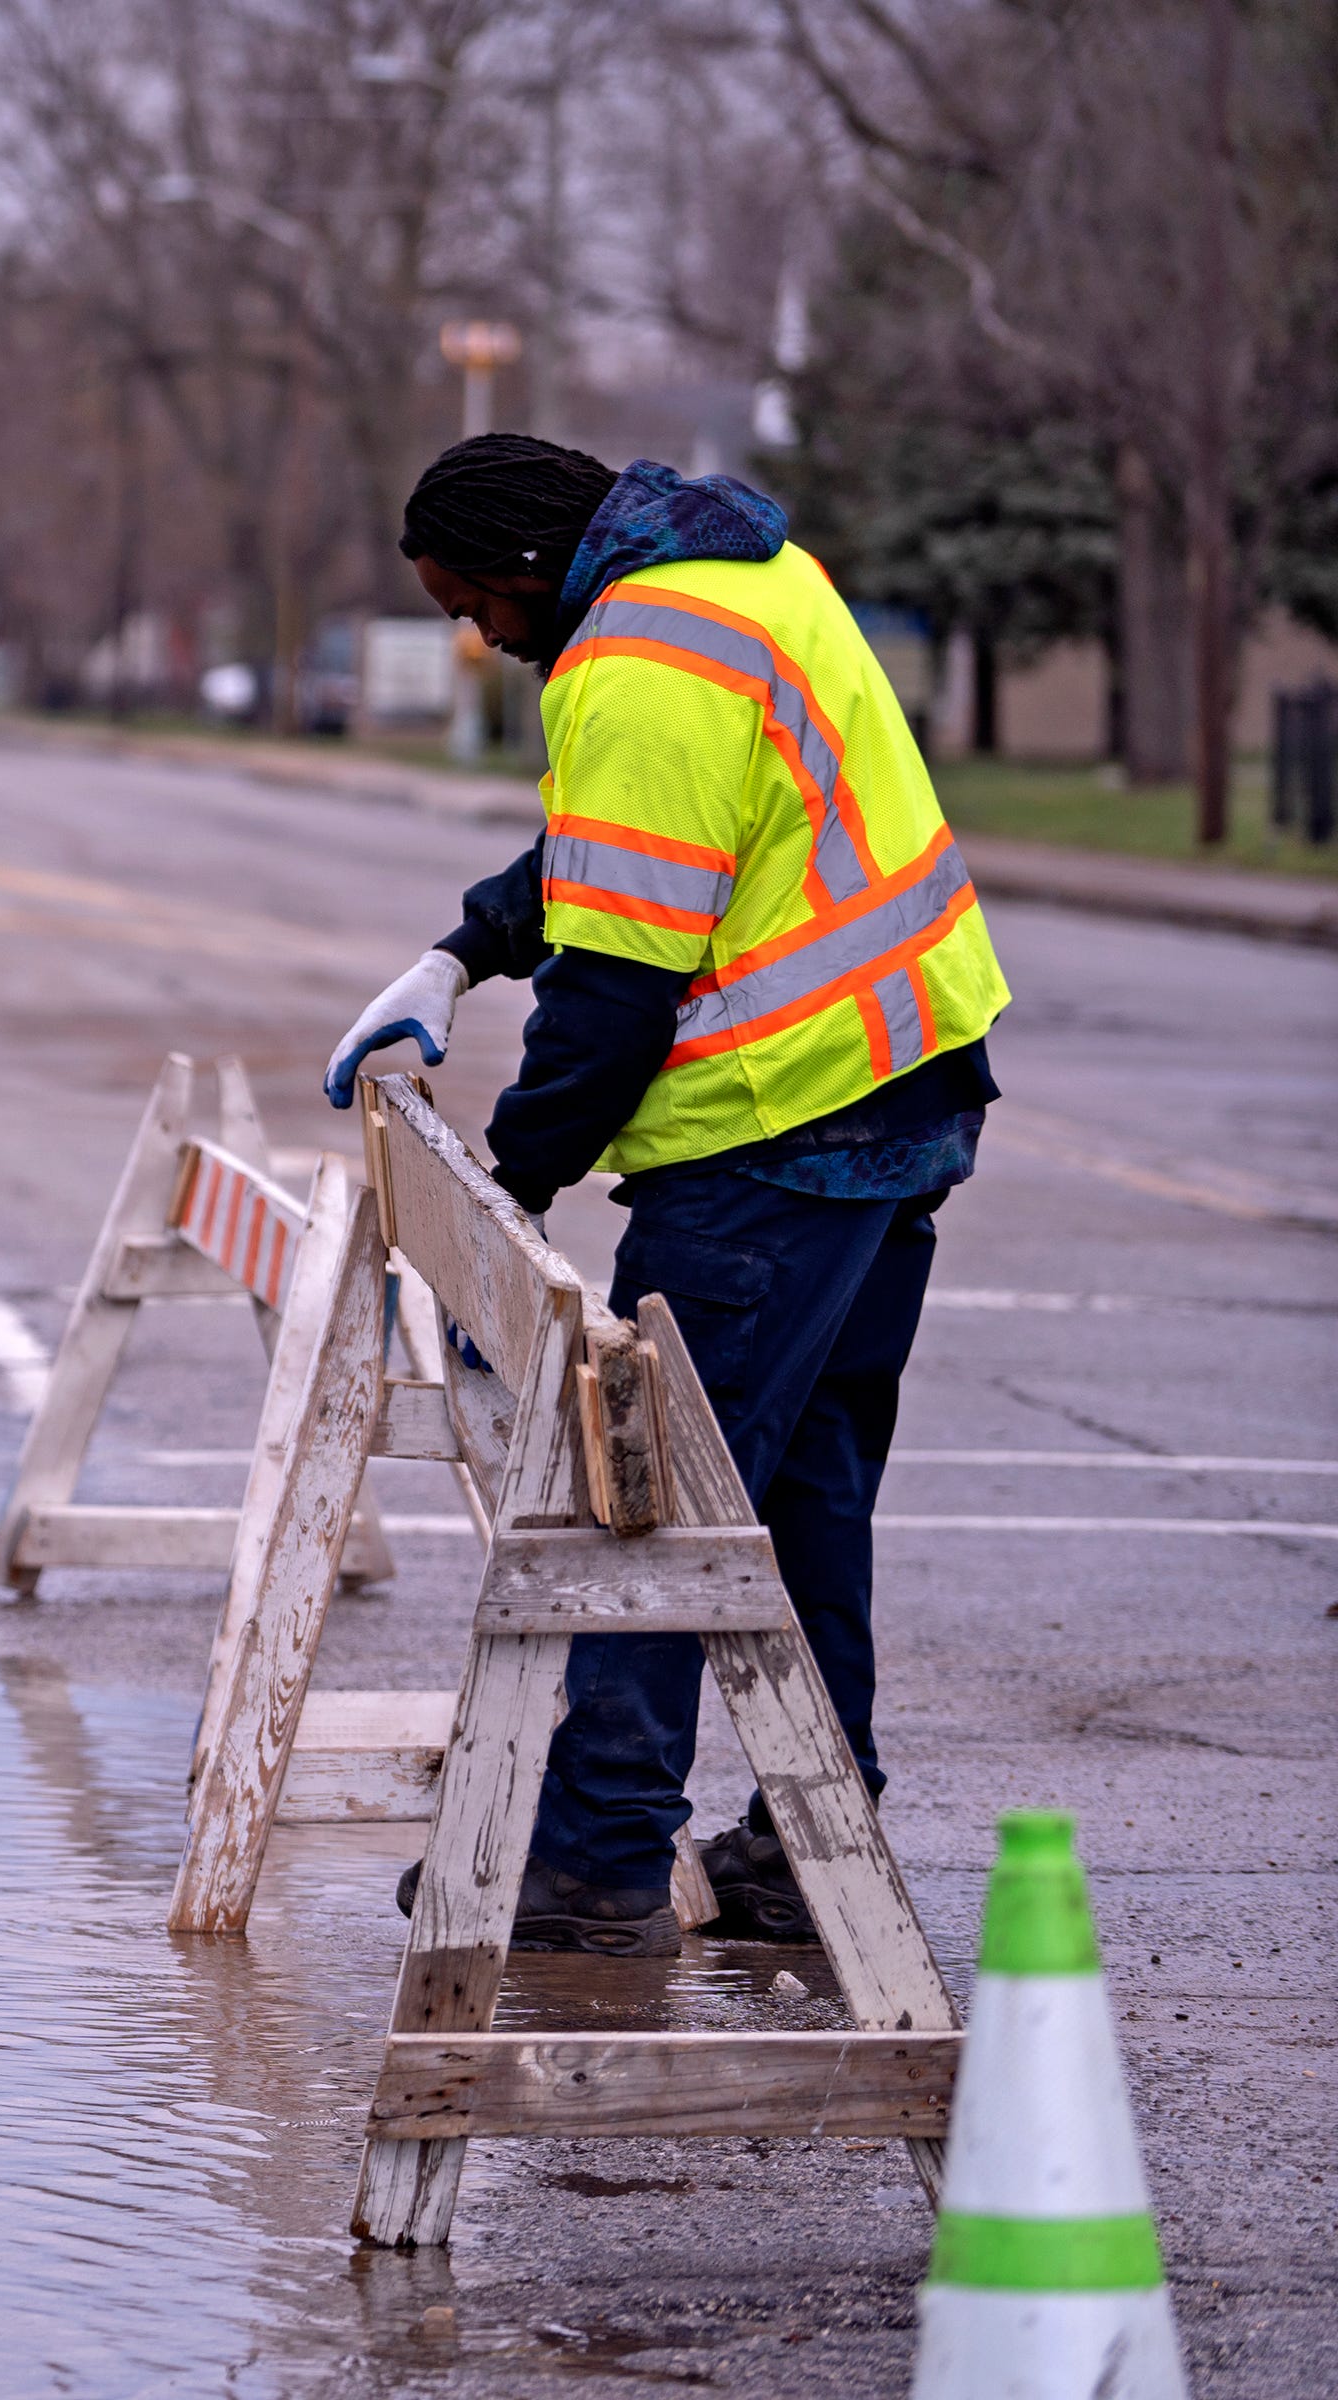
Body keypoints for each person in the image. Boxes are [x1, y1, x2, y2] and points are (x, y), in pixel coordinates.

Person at [324, 433, 1009, 1957]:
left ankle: (593, 1854)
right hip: (903, 1090)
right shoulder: (744, 573)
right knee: (797, 1487)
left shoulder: (635, 664)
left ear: (520, 568)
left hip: (777, 1133)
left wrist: (504, 1186)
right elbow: (625, 849)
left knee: (647, 1497)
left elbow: (618, 999)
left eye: (467, 606)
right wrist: (463, 947)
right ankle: (814, 1834)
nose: (477, 639)